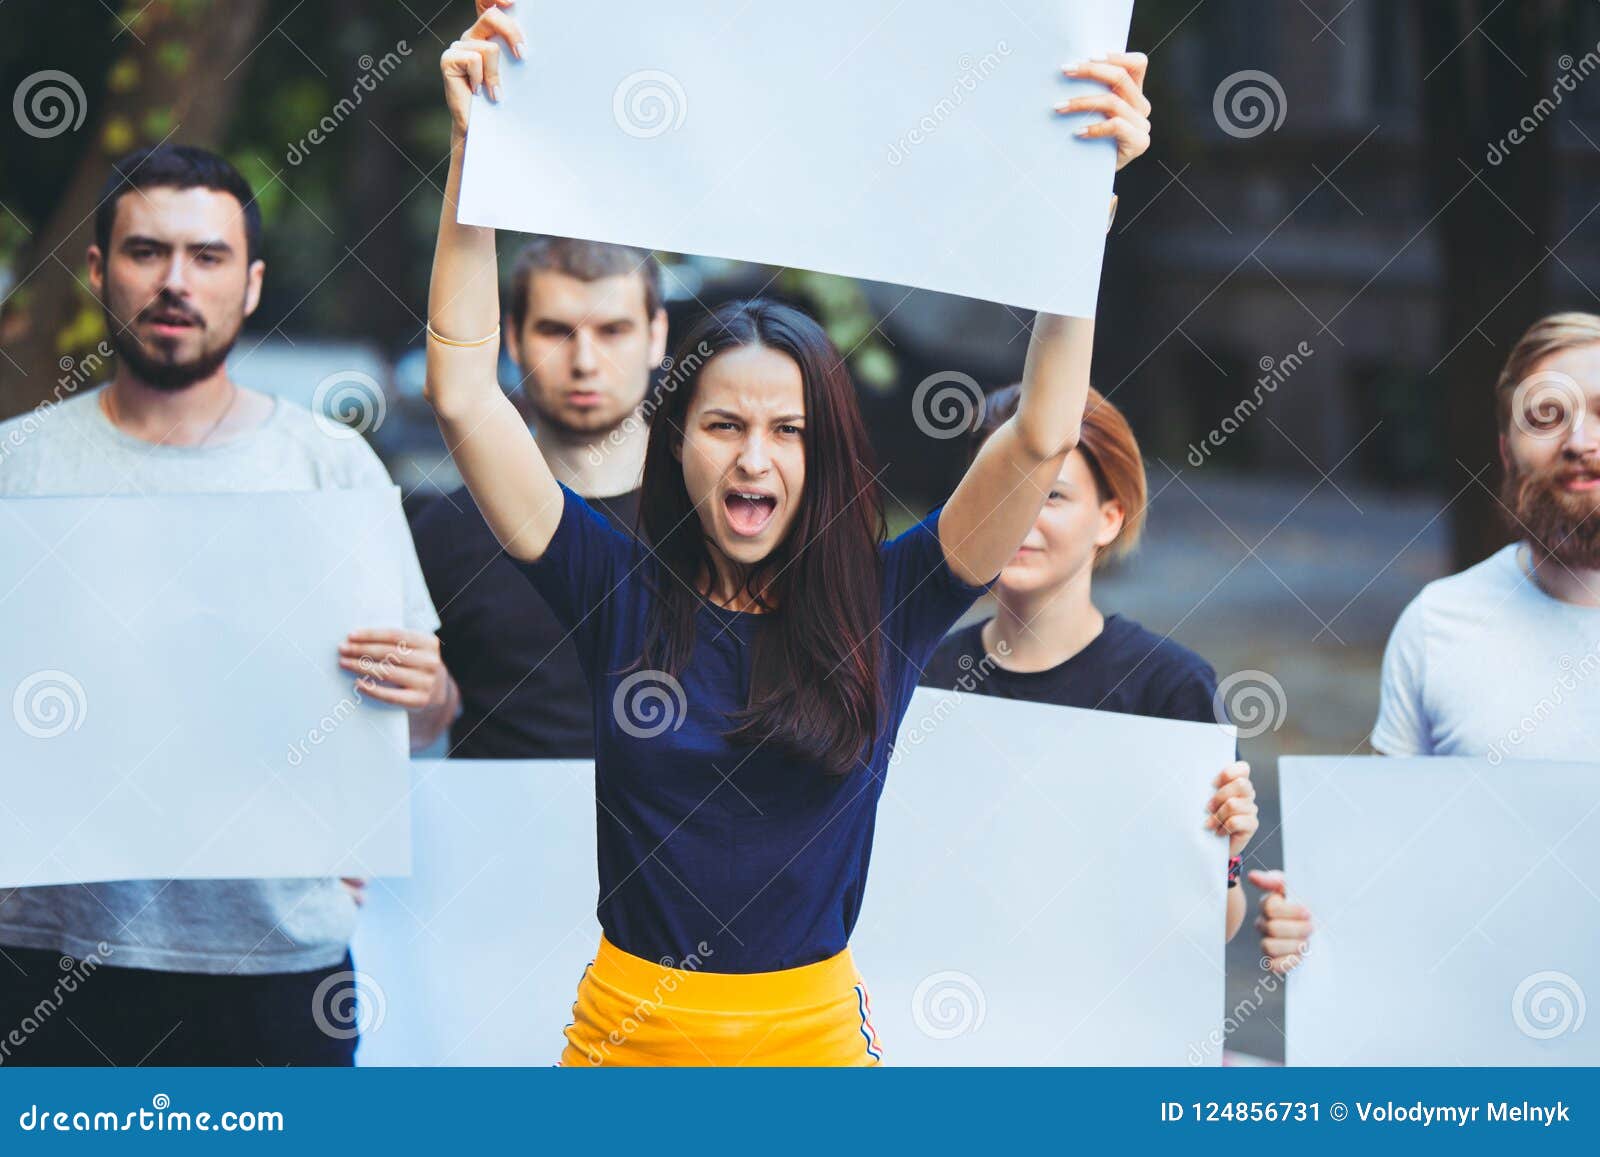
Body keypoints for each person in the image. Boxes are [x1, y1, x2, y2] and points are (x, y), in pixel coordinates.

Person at [425, 1, 1153, 1064]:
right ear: (676, 444)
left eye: (787, 430)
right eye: (722, 425)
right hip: (621, 1053)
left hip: (811, 1056)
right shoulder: (609, 582)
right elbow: (463, 397)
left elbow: (1044, 432)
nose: (753, 457)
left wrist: (1073, 211)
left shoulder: (894, 596)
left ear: (828, 456)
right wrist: (473, 158)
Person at [0, 145, 446, 1065]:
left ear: (249, 285)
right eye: (146, 252)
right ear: (97, 272)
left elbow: (429, 717)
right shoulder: (18, 468)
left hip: (281, 961)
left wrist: (428, 688)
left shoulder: (332, 467)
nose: (174, 281)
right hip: (47, 952)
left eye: (206, 257)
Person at [1255, 311, 1600, 975]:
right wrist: (1315, 925)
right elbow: (1391, 869)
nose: (1580, 440)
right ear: (1505, 450)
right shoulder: (1439, 625)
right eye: (1547, 415)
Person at [921, 385, 1258, 940]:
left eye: (1051, 496)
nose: (1019, 515)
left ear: (1109, 518)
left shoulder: (1169, 689)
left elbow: (1212, 930)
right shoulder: (921, 675)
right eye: (999, 486)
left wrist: (1223, 856)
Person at [407, 236, 668, 758]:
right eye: (556, 331)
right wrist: (423, 703)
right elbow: (405, 732)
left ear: (656, 335)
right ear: (513, 340)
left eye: (613, 331)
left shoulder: (722, 522)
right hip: (488, 833)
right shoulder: (442, 529)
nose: (585, 361)